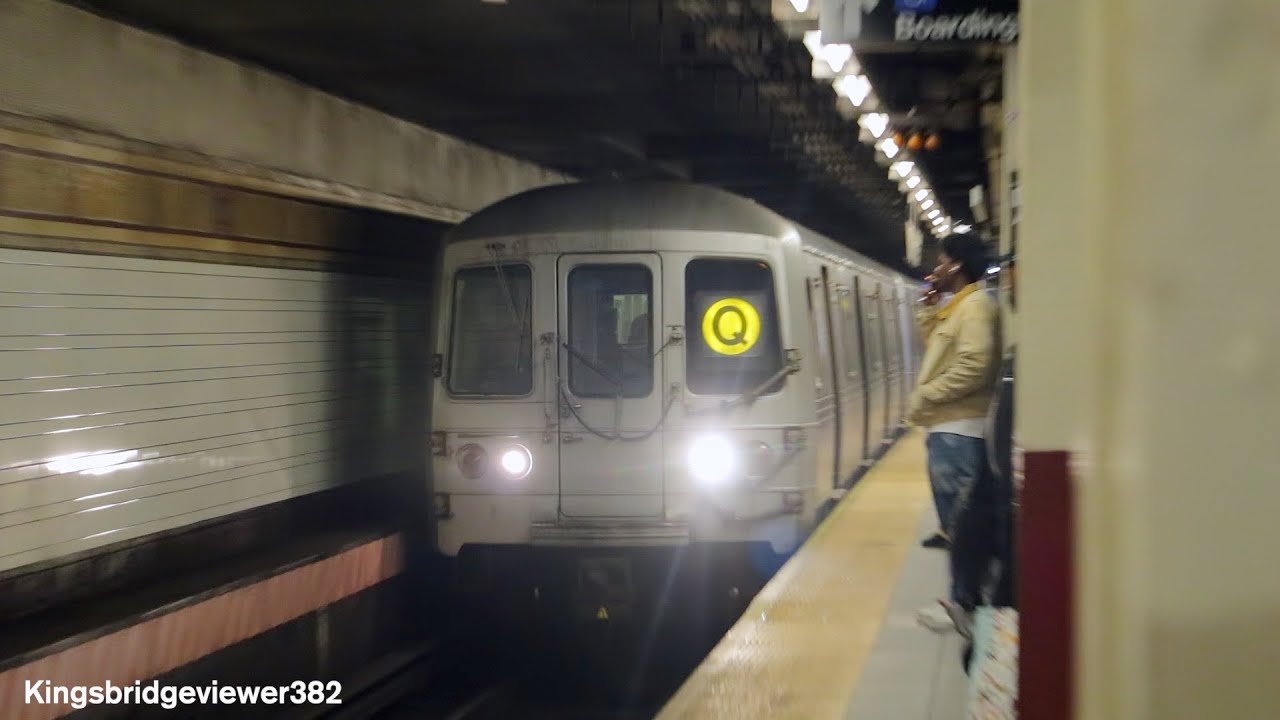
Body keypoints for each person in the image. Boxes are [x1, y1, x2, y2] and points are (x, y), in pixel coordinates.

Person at [907, 234, 1001, 633]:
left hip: (960, 429)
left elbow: (974, 366)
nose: (937, 269)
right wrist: (929, 312)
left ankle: (966, 604)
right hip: (951, 429)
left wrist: (927, 395)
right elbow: (940, 350)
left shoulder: (976, 308)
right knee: (957, 526)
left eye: (943, 261)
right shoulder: (960, 308)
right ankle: (962, 600)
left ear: (957, 266)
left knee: (962, 527)